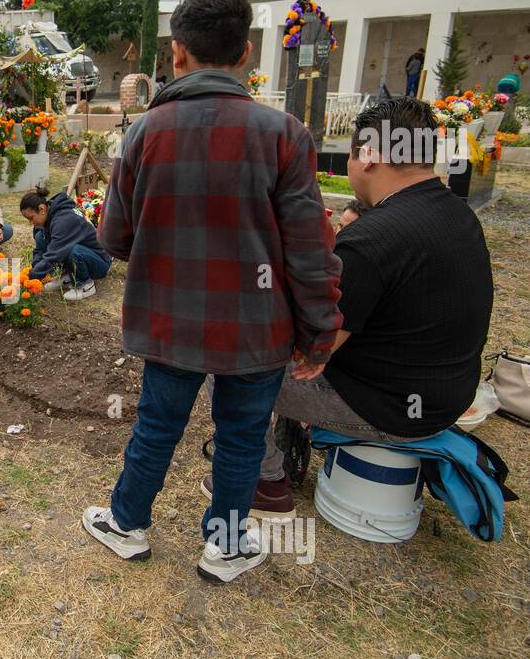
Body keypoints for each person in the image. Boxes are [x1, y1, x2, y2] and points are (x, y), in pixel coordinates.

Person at [81, 0, 343, 583]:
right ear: (246, 52)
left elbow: (113, 237)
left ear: (177, 55)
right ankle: (224, 545)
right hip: (256, 327)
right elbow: (310, 248)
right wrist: (319, 330)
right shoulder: (284, 134)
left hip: (170, 319)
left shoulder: (143, 133)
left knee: (157, 425)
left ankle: (127, 524)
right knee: (243, 437)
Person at [201, 97, 494, 520]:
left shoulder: (374, 239)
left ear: (370, 157)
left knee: (224, 360)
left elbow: (310, 347)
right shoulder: (454, 212)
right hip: (447, 388)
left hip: (395, 408)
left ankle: (263, 482)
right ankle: (284, 447)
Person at [19, 188, 110, 300]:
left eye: (31, 218)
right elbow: (40, 249)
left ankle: (85, 284)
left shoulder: (63, 220)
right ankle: (68, 276)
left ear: (42, 209)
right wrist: (36, 268)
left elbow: (54, 255)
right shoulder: (49, 218)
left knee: (71, 250)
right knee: (40, 236)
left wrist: (33, 276)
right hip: (83, 253)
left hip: (99, 262)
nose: (31, 222)